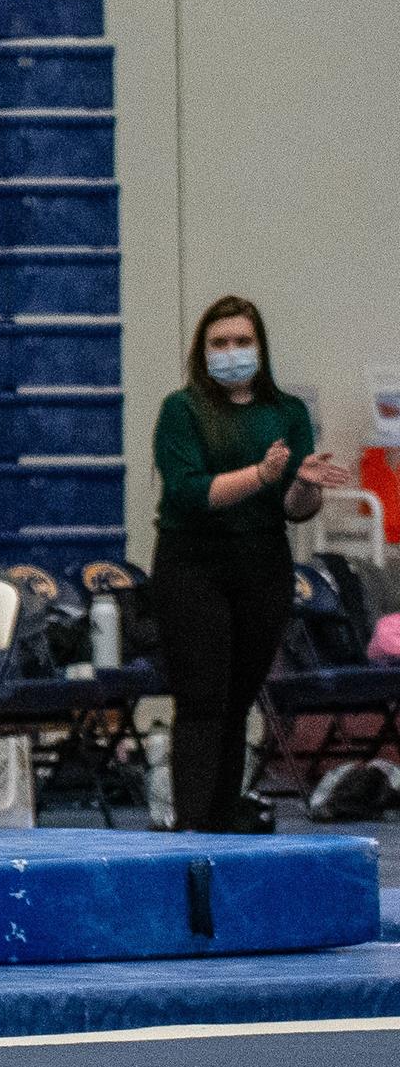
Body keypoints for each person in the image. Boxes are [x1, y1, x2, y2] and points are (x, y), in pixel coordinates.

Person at [150, 295, 349, 833]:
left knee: (238, 701)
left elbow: (295, 509)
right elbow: (190, 492)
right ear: (202, 351)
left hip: (262, 561)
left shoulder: (287, 413)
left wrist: (304, 483)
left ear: (260, 347)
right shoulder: (181, 410)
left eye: (242, 341)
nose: (231, 351)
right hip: (193, 562)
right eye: (220, 343)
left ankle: (220, 822)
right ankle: (192, 827)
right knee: (202, 699)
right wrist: (261, 475)